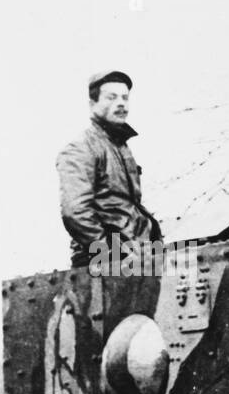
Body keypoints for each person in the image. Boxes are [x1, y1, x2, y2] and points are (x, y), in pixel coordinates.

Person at [57, 70, 161, 269]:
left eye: (125, 98)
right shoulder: (81, 148)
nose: (121, 103)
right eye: (111, 97)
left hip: (135, 258)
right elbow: (75, 211)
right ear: (92, 104)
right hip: (105, 264)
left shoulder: (121, 148)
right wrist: (108, 254)